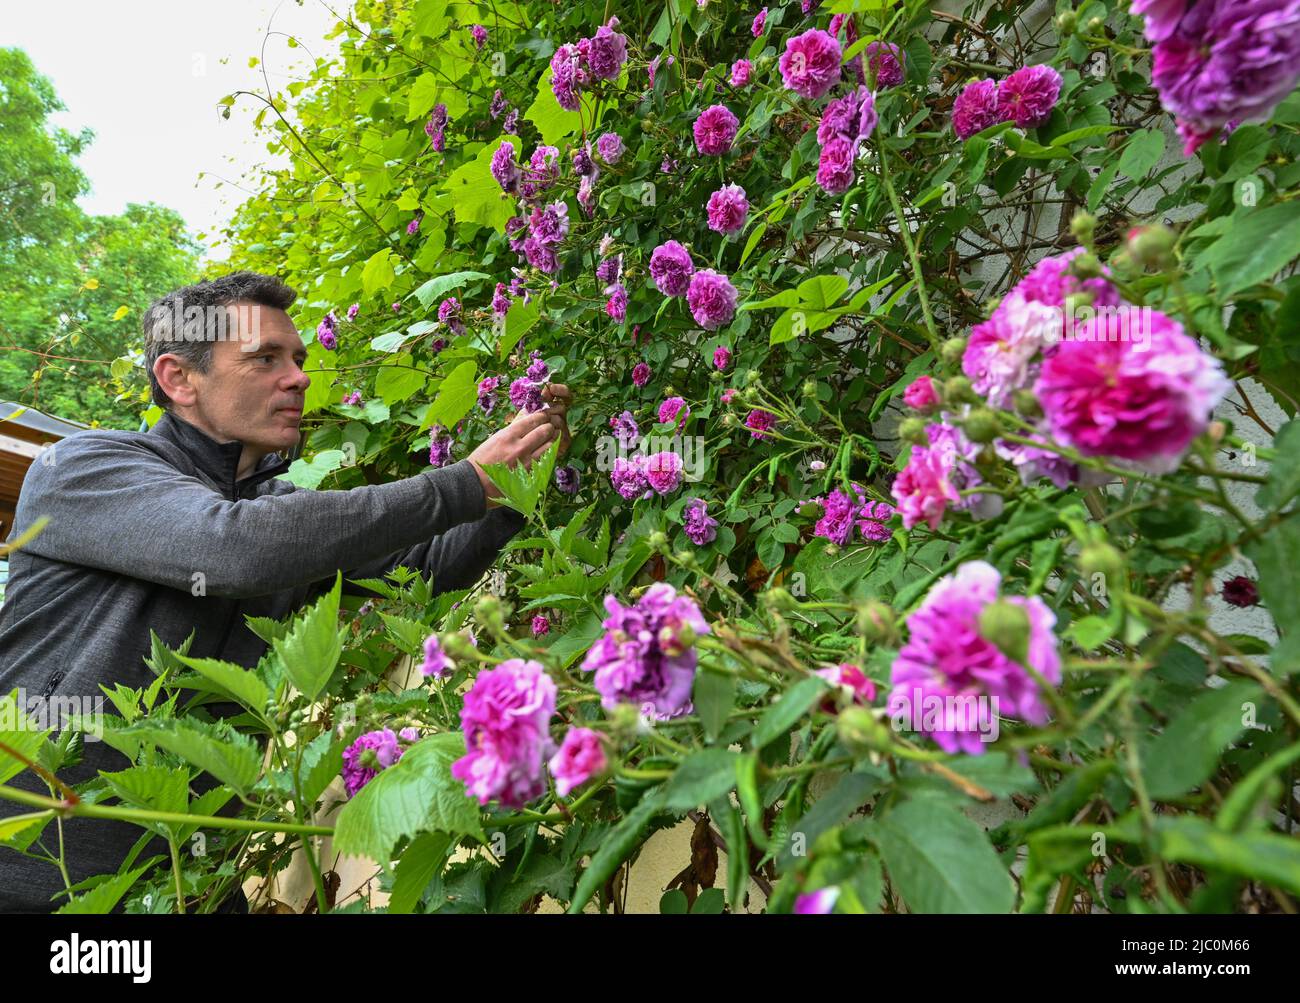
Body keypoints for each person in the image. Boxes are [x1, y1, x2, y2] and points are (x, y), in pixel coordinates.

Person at [0, 271, 571, 912]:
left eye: (298, 358)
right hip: (34, 878)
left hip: (189, 884)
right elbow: (229, 549)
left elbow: (427, 567)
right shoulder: (83, 469)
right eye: (265, 359)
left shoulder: (281, 513)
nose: (298, 377)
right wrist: (462, 482)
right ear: (179, 378)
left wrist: (514, 488)